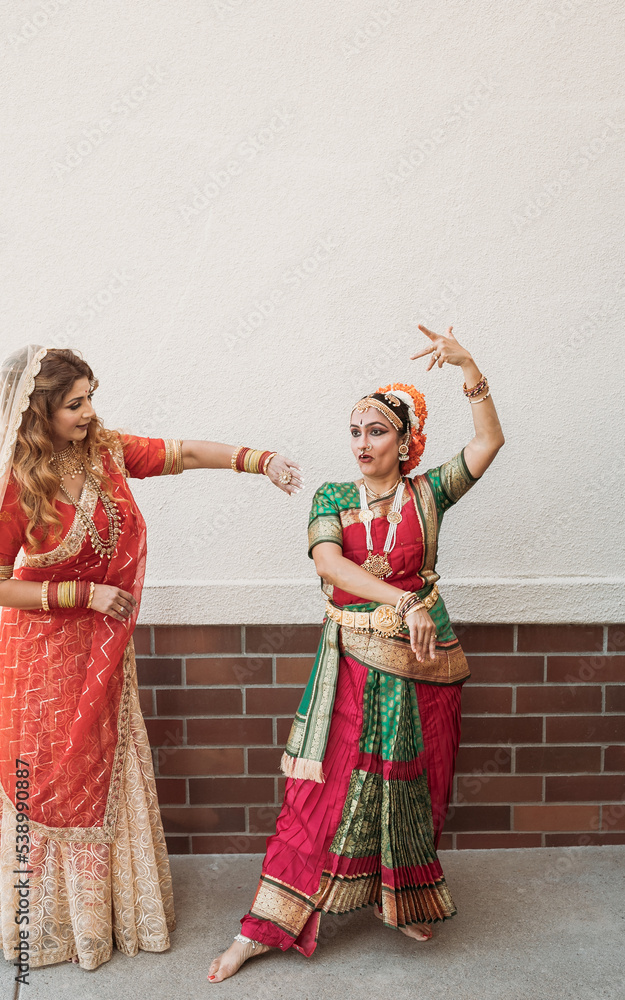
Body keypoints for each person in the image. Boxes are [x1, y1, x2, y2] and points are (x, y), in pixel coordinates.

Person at [208, 324, 505, 983]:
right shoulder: (332, 499)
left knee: (412, 785)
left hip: (426, 663)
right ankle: (261, 928)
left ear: (406, 442)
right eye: (355, 430)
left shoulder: (428, 494)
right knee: (318, 792)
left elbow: (488, 442)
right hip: (352, 660)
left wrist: (468, 367)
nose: (362, 443)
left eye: (376, 431)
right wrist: (401, 603)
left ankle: (397, 902)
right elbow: (329, 564)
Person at [0, 344, 303, 972]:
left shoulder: (105, 451)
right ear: (38, 412)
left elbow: (183, 454)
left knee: (103, 772)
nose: (89, 412)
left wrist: (261, 460)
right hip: (41, 656)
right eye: (74, 404)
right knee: (53, 781)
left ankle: (109, 919)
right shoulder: (18, 483)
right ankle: (56, 926)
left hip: (104, 652)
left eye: (91, 397)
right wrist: (80, 593)